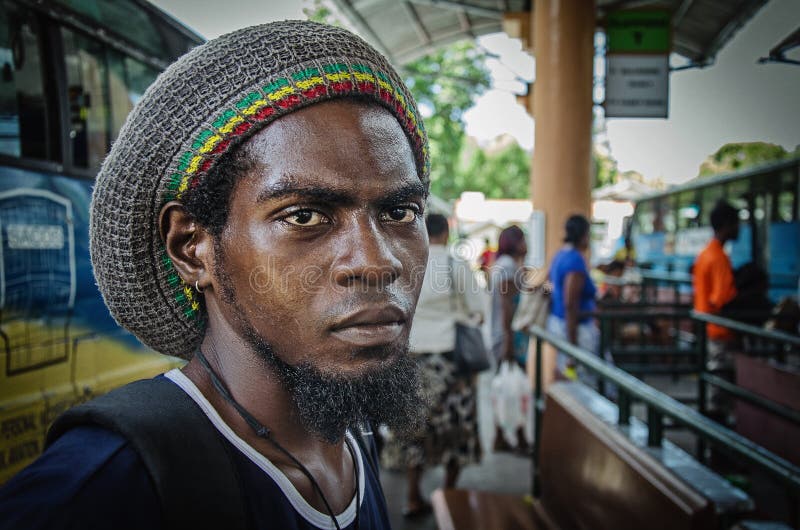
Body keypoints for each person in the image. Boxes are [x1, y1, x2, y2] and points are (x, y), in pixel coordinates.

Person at [0, 21, 432, 530]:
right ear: (192, 249)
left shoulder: (351, 438)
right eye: (304, 216)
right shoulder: (99, 488)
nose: (377, 263)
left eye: (400, 212)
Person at [380, 213, 483, 517]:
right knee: (456, 429)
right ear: (447, 234)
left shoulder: (406, 266)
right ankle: (447, 498)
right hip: (449, 362)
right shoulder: (455, 265)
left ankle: (413, 497)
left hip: (410, 359)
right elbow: (478, 310)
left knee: (414, 428)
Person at [692, 200, 739, 420]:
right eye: (736, 223)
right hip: (720, 331)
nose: (739, 228)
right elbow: (720, 299)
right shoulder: (718, 257)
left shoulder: (705, 253)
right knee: (720, 390)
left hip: (707, 328)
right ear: (727, 225)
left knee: (713, 385)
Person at [546, 215, 601, 382]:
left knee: (566, 376)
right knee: (582, 379)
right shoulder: (575, 260)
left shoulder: (560, 255)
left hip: (558, 324)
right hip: (574, 330)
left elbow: (549, 284)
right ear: (584, 235)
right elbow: (570, 303)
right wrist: (573, 348)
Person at [489, 225, 529, 450]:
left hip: (505, 335)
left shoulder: (507, 265)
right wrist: (509, 342)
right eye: (522, 239)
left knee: (505, 386)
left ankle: (502, 436)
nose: (526, 244)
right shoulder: (507, 266)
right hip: (508, 337)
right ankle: (516, 436)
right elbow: (507, 306)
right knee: (513, 387)